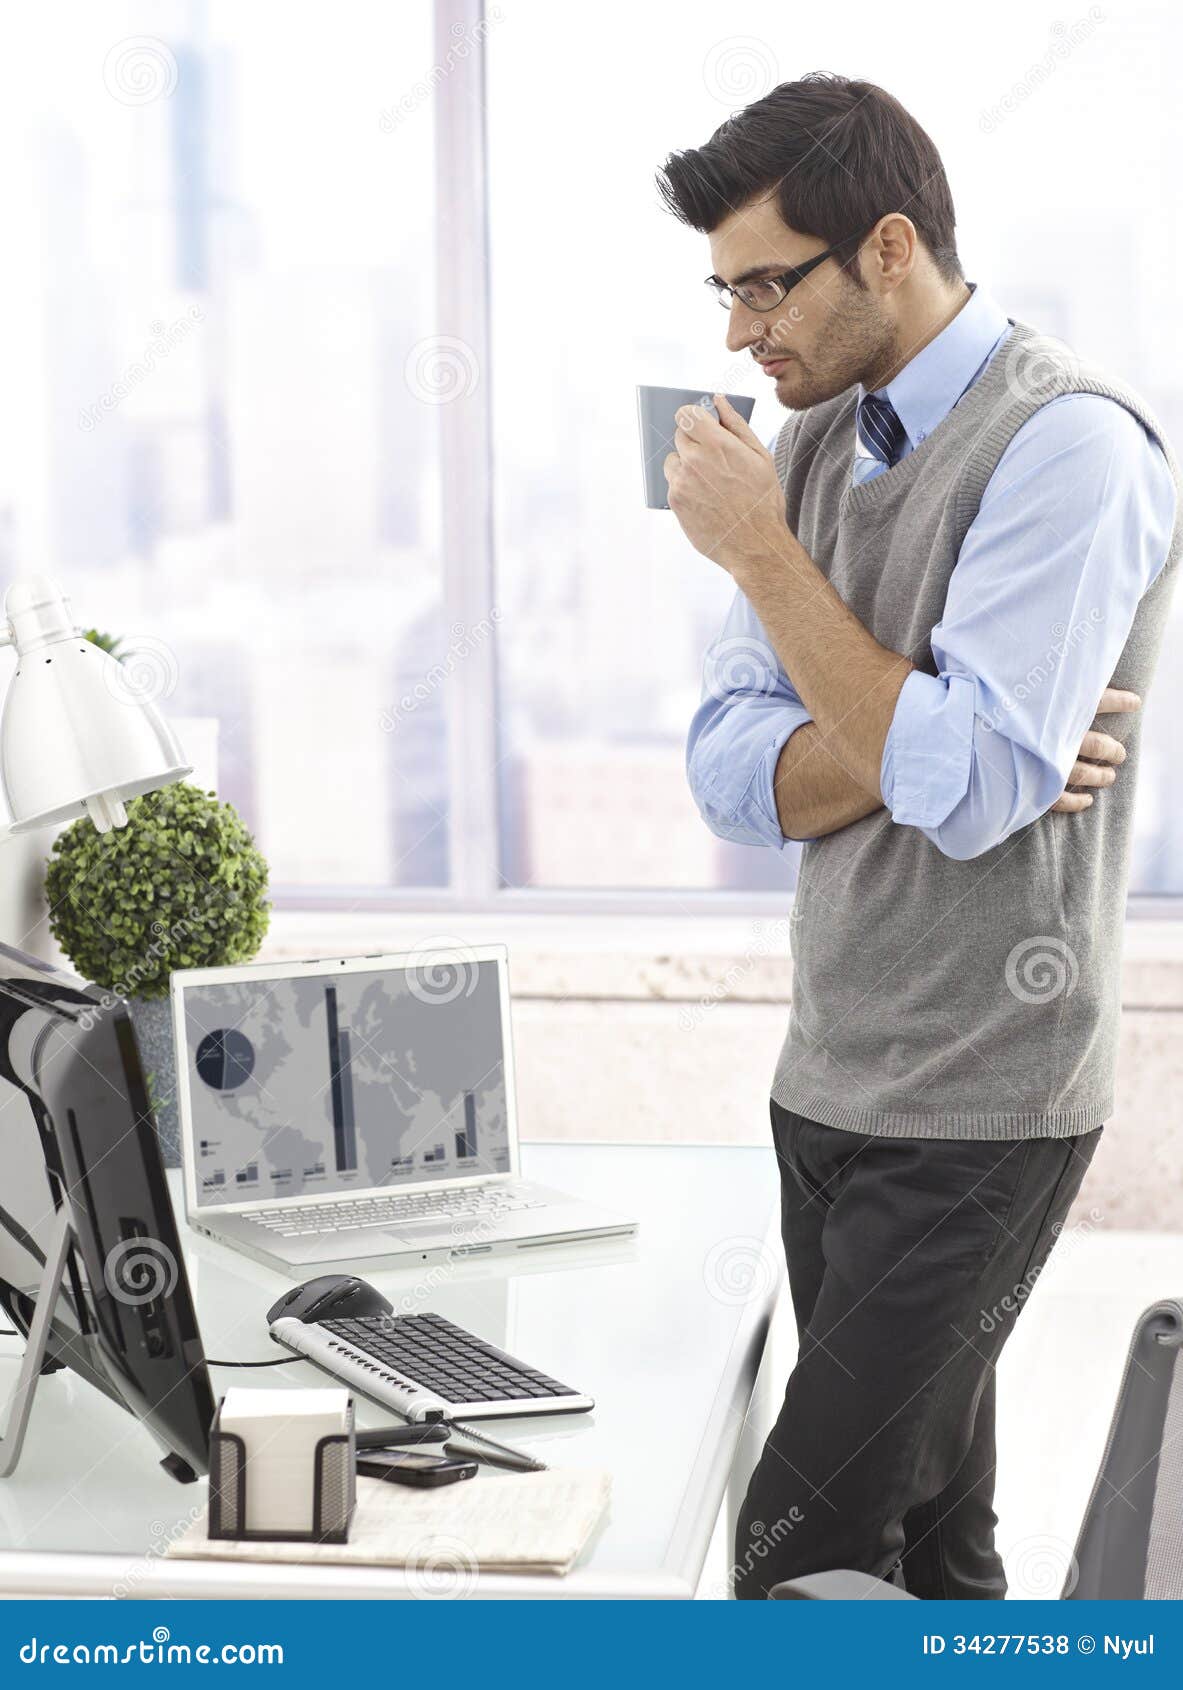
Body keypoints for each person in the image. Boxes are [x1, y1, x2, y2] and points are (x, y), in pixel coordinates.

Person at [657, 73, 1180, 1600]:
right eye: (725, 291)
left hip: (984, 1101)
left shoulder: (1069, 448)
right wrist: (928, 736)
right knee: (928, 1551)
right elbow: (723, 770)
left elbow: (973, 785)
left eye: (766, 285)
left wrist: (763, 559)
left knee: (793, 1550)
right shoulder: (816, 444)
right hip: (830, 1071)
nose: (741, 335)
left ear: (890, 246)